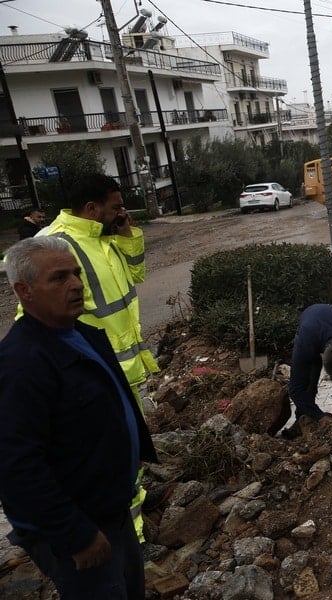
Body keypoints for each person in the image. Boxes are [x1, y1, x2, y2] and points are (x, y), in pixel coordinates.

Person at [0, 236, 157, 599]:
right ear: (25, 291)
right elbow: (16, 467)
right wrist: (76, 535)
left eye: (76, 273)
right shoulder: (21, 364)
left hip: (113, 511)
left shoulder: (80, 333)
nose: (75, 284)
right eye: (59, 278)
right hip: (80, 528)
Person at [31, 173, 158, 540]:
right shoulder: (54, 246)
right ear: (91, 208)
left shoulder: (103, 237)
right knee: (111, 453)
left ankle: (133, 506)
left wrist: (127, 234)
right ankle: (129, 537)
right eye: (116, 207)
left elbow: (138, 273)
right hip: (95, 376)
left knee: (130, 443)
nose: (122, 212)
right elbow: (38, 321)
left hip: (125, 368)